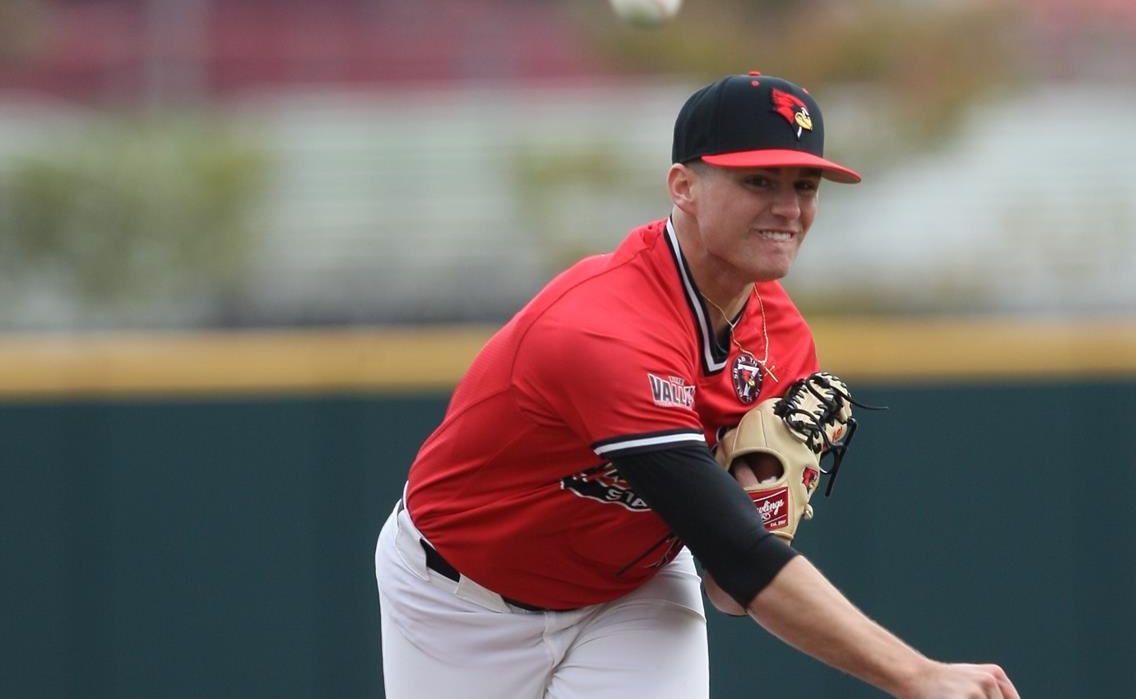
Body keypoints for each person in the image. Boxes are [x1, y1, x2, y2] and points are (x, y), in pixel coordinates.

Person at [374, 71, 1021, 699]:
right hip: (458, 599)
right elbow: (738, 556)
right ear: (682, 186)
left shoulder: (783, 341)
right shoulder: (604, 328)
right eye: (758, 181)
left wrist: (764, 499)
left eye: (805, 184)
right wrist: (916, 675)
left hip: (630, 596)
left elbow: (730, 588)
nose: (788, 208)